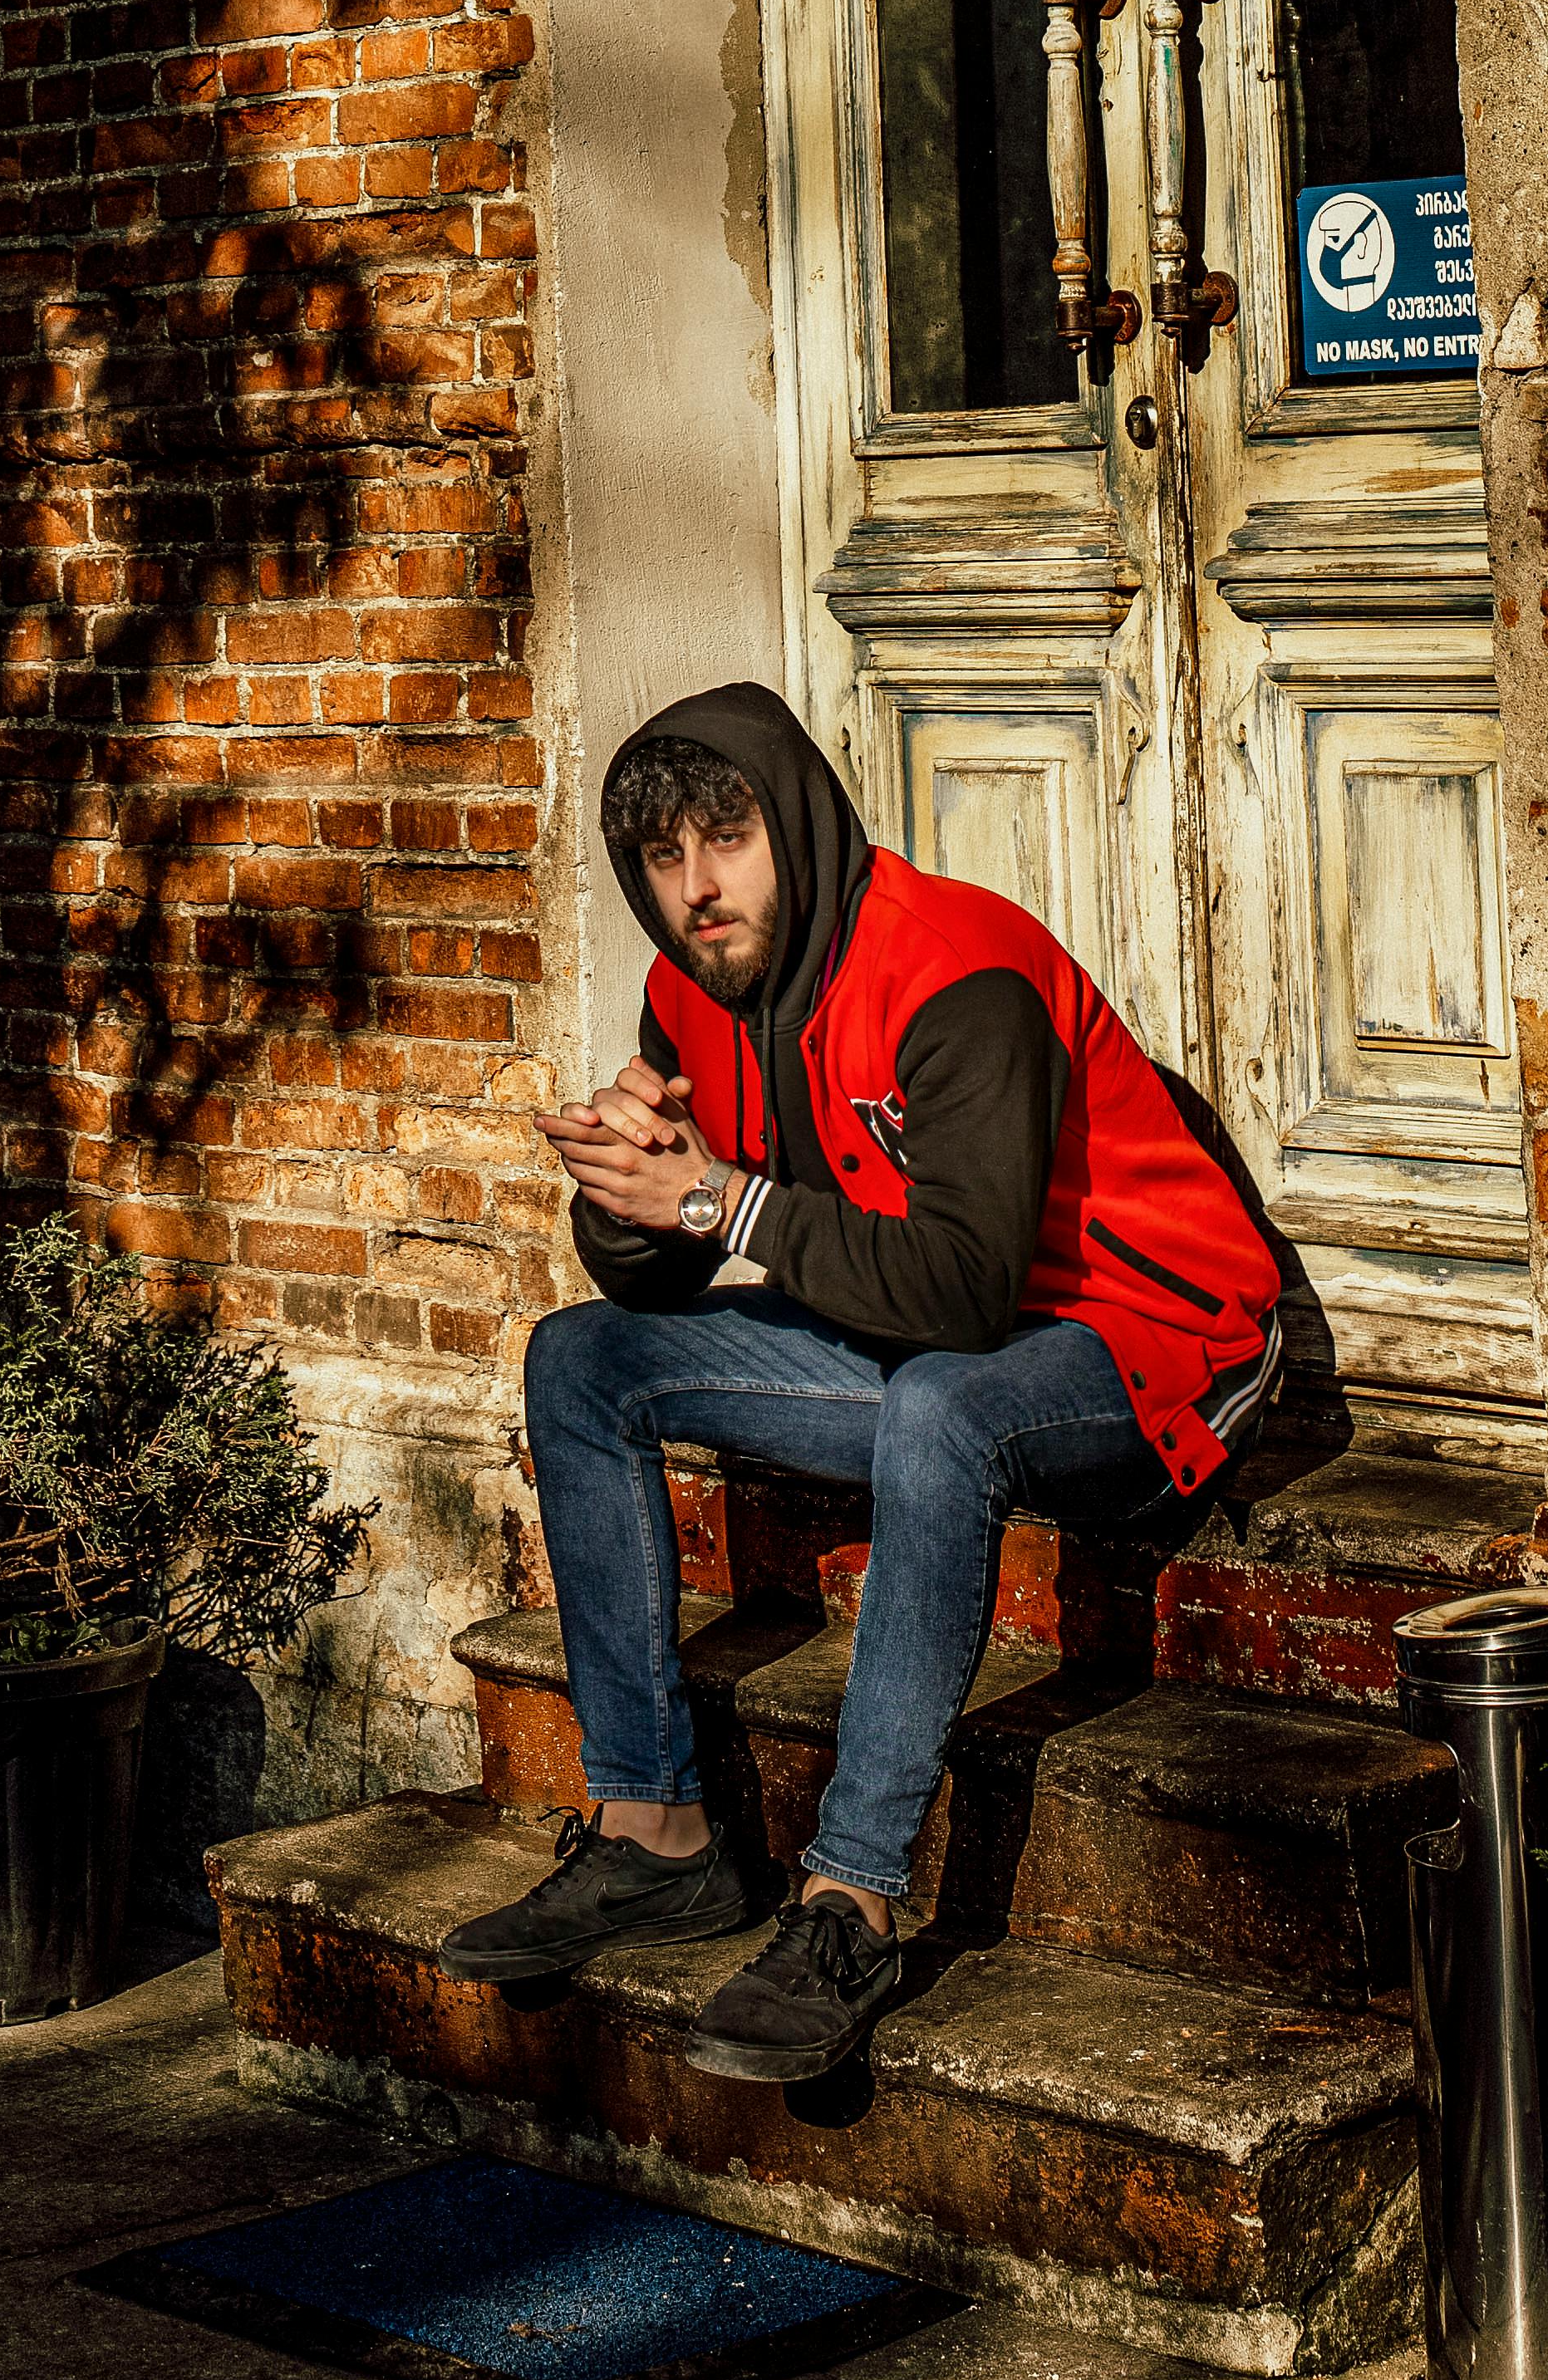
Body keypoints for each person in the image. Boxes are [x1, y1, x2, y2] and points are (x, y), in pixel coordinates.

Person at [440, 678, 1287, 2090]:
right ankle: (654, 1838)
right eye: (665, 861)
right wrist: (626, 1190)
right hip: (934, 1344)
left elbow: (961, 1288)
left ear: (801, 827)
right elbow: (655, 1271)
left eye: (729, 840)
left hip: (1155, 1337)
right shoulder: (691, 990)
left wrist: (721, 1201)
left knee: (943, 1409)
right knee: (582, 1361)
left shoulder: (958, 969)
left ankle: (850, 1902)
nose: (700, 890)